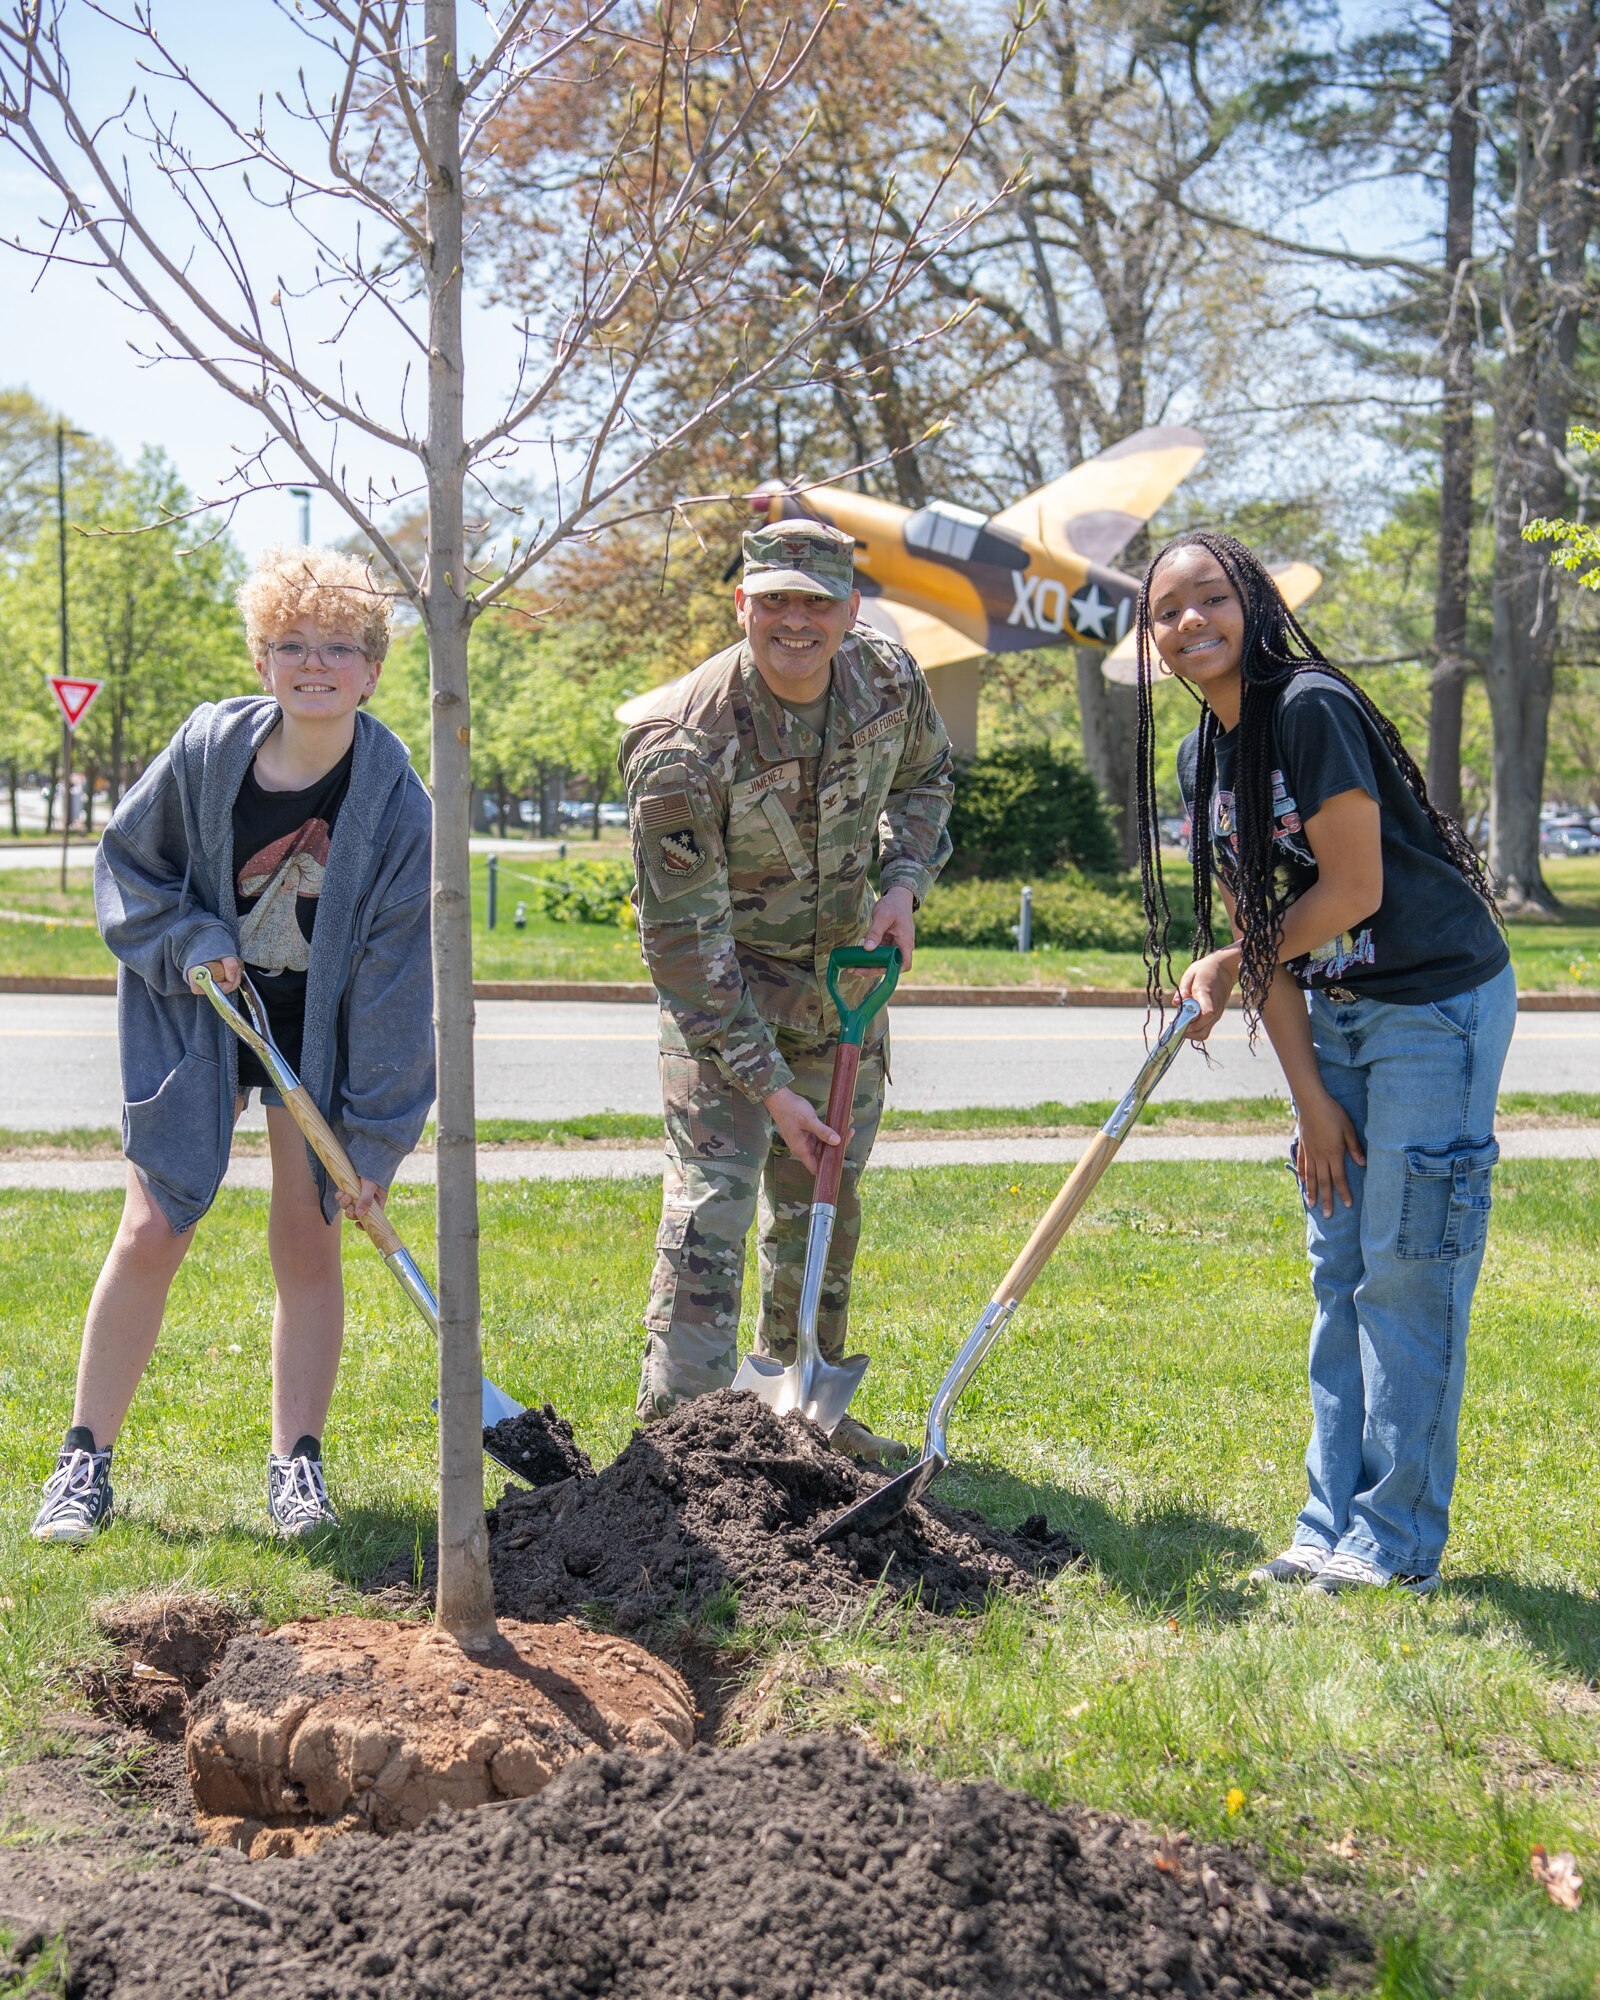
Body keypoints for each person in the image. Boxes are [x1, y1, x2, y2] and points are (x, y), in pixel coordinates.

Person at [1133, 529, 1513, 1597]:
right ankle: (1323, 1526)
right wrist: (1308, 1102)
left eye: (1210, 597)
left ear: (1250, 603)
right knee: (1337, 1265)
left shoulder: (1308, 709)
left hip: (1430, 1003)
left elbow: (1348, 894)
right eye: (1165, 609)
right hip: (1331, 1020)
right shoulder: (1200, 755)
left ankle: (1391, 1542)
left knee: (1404, 1265)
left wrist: (1222, 958)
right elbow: (1275, 939)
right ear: (1149, 637)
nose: (1188, 621)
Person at [31, 547, 434, 1544]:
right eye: (290, 643)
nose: (313, 663)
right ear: (262, 662)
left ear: (371, 670)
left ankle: (297, 1464)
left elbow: (393, 985)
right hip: (202, 1008)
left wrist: (373, 1141)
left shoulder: (395, 802)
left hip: (320, 1033)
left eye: (339, 646)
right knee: (153, 1226)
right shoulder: (209, 748)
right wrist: (192, 940)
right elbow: (131, 864)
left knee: (308, 1234)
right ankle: (84, 1458)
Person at [620, 518, 954, 1462]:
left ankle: (804, 1412)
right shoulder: (681, 748)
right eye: (775, 601)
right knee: (712, 1215)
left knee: (825, 1201)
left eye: (817, 602)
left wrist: (902, 885)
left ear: (852, 609)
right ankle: (679, 1447)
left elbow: (927, 781)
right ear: (742, 607)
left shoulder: (889, 680)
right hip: (723, 1003)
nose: (796, 621)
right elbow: (687, 947)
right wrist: (769, 1089)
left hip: (840, 993)